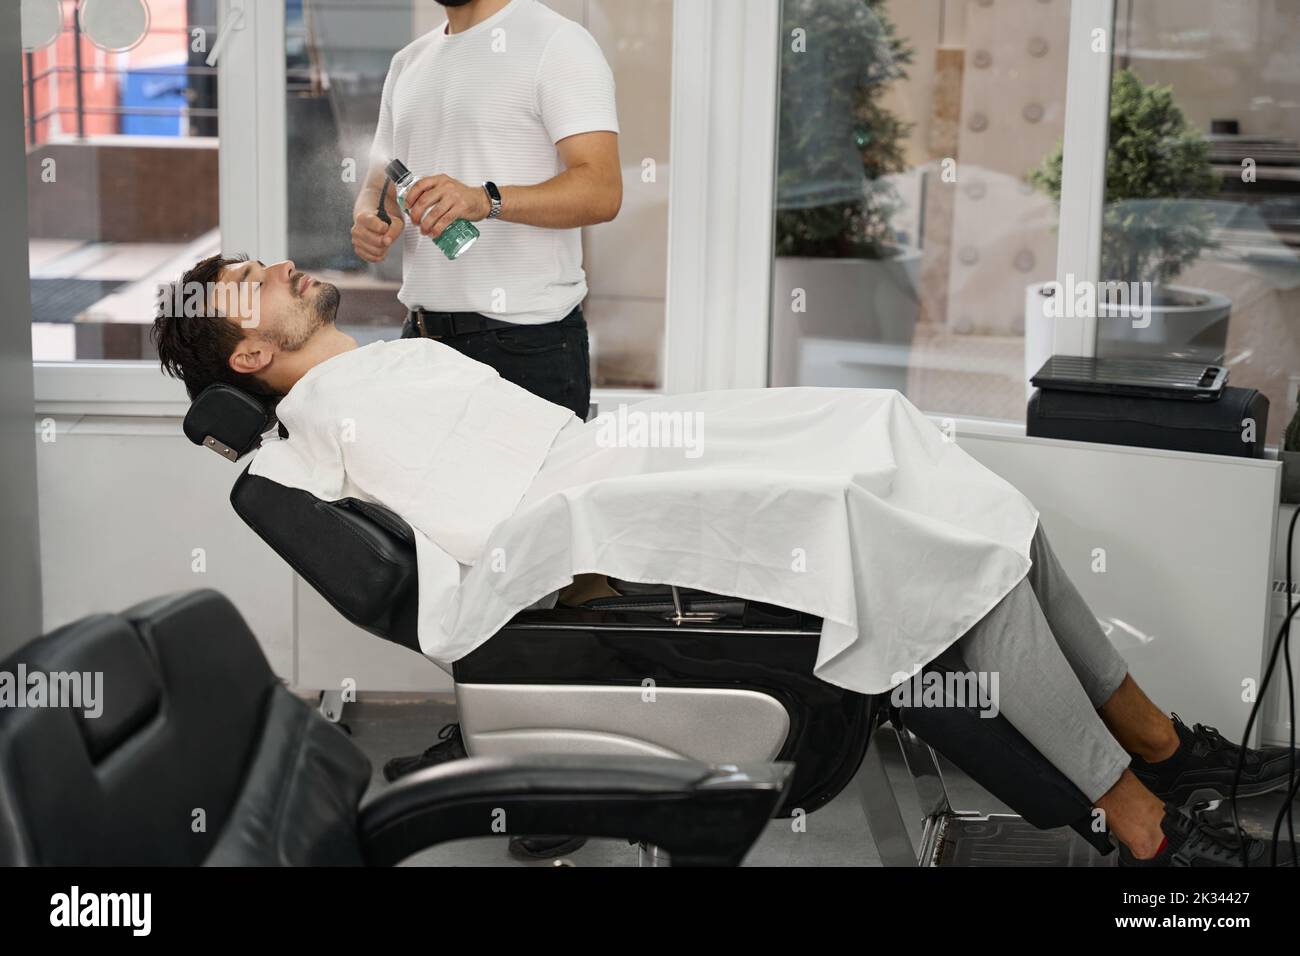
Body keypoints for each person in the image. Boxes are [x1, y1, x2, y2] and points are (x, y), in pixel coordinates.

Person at [152, 255, 1298, 867]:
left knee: (908, 446)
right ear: (253, 349)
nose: (280, 264)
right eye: (252, 279)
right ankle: (1139, 819)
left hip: (606, 456)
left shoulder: (387, 359)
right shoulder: (312, 438)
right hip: (590, 508)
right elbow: (456, 530)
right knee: (899, 528)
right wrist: (240, 437)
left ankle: (1162, 745)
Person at [350, 0, 622, 421]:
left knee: (528, 491)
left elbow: (602, 190)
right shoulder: (408, 62)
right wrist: (372, 218)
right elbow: (379, 184)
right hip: (420, 341)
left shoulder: (557, 42)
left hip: (525, 347)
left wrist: (487, 200)